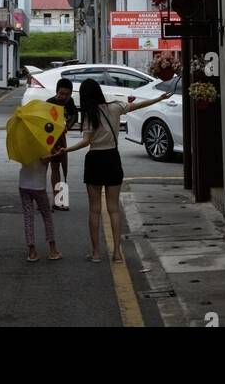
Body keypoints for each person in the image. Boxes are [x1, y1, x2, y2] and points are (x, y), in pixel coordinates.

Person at [54, 77, 172, 263]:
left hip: (94, 160)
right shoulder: (115, 107)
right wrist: (159, 99)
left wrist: (66, 149)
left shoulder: (89, 115)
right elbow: (138, 106)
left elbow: (86, 142)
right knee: (114, 209)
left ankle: (95, 253)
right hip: (112, 158)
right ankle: (117, 253)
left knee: (94, 210)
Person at [18, 155, 62, 263]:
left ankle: (32, 252)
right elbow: (44, 159)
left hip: (23, 184)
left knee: (28, 217)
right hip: (38, 186)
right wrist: (55, 154)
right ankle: (53, 250)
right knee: (47, 216)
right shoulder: (42, 146)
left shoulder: (22, 145)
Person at [46, 77, 78, 210]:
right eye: (61, 93)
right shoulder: (49, 103)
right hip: (49, 140)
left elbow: (74, 116)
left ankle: (60, 201)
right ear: (56, 91)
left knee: (62, 168)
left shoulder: (70, 102)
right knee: (52, 168)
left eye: (66, 94)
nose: (63, 97)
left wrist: (68, 126)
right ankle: (53, 200)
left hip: (61, 139)